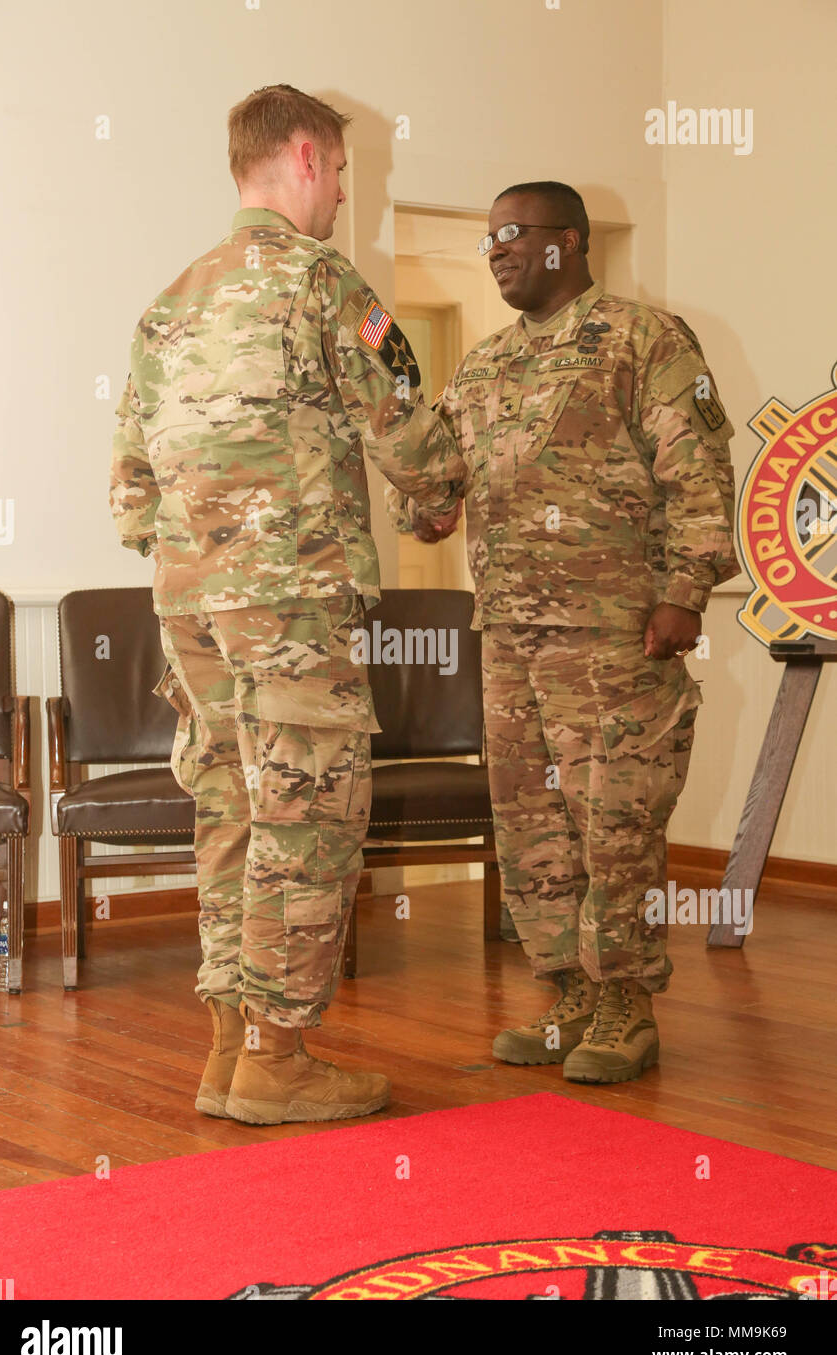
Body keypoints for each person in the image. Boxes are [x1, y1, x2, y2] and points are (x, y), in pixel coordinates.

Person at [110, 85, 463, 1125]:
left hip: (189, 603)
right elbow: (401, 422)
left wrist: (194, 554)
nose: (345, 193)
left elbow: (129, 489)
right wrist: (440, 499)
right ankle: (278, 1056)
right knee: (308, 809)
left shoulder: (167, 304)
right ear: (304, 157)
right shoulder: (323, 284)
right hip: (292, 599)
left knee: (227, 807)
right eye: (344, 172)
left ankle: (229, 1049)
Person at [390, 181, 740, 1084]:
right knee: (533, 821)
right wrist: (418, 494)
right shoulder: (484, 364)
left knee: (615, 817)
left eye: (516, 233)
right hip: (508, 633)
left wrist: (685, 592)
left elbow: (700, 476)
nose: (499, 249)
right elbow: (437, 494)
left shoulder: (642, 338)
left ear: (570, 242)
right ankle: (567, 994)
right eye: (490, 239)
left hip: (617, 631)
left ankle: (626, 1001)